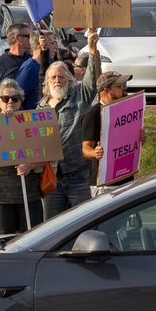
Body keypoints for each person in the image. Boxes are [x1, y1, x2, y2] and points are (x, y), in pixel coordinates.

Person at [41, 28, 101, 217]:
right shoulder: (40, 107)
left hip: (79, 174)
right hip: (52, 176)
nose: (57, 80)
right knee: (51, 226)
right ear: (47, 82)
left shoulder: (79, 96)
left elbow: (92, 81)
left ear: (69, 79)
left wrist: (92, 50)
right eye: (53, 77)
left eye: (61, 76)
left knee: (82, 220)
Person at [0, 78, 46, 237]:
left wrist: (30, 164)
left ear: (21, 101)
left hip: (28, 193)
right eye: (5, 99)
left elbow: (47, 152)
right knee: (3, 241)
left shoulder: (32, 122)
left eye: (15, 99)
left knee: (32, 238)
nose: (10, 102)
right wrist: (2, 122)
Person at [81, 71, 135, 193]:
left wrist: (139, 137)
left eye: (125, 84)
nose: (125, 88)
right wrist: (95, 153)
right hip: (105, 183)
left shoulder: (126, 110)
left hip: (126, 177)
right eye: (120, 86)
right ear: (106, 89)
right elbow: (86, 149)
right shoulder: (93, 114)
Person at [0, 22, 44, 108]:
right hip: (9, 116)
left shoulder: (30, 60)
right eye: (28, 36)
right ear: (18, 38)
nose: (31, 39)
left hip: (31, 115)